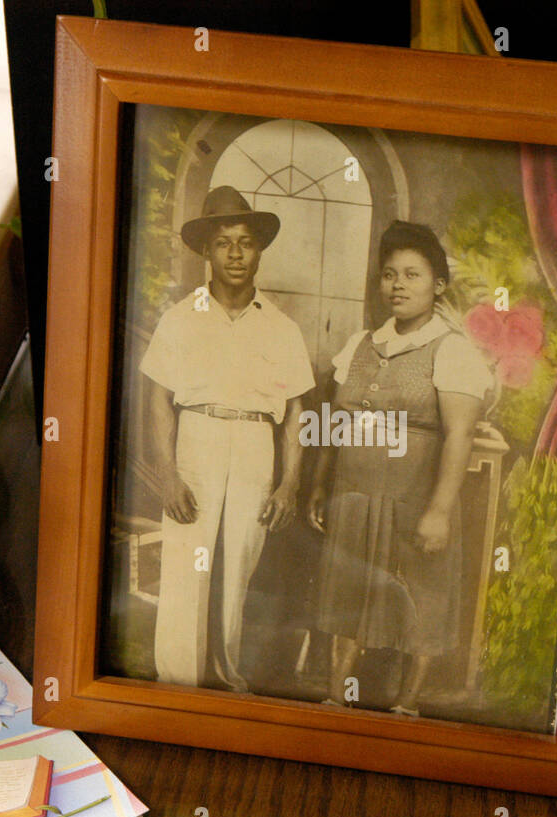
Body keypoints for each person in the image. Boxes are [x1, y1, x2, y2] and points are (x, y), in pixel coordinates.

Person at [307, 221, 491, 716]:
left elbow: (458, 435)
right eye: (390, 275)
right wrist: (321, 486)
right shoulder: (361, 344)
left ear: (438, 285)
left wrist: (438, 511)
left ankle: (406, 707)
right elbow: (334, 423)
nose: (398, 285)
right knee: (347, 597)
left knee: (420, 600)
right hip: (352, 495)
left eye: (412, 275)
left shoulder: (451, 350)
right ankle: (334, 699)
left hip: (414, 499)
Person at [140, 186, 315, 691]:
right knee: (186, 564)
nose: (235, 254)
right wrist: (168, 474)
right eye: (223, 243)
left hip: (256, 444)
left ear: (260, 250)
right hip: (198, 437)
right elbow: (158, 401)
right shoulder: (179, 320)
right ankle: (176, 682)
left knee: (237, 565)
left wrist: (289, 485)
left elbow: (296, 414)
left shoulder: (282, 328)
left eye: (246, 242)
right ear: (206, 253)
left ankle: (225, 677)